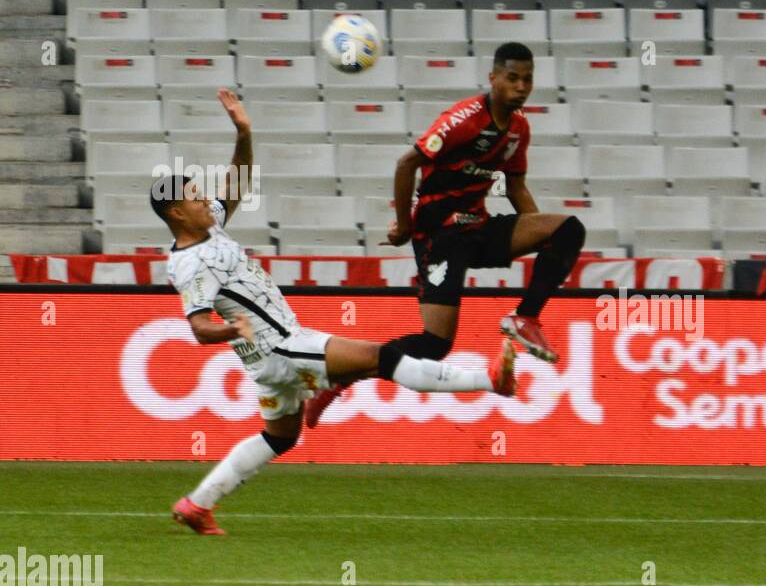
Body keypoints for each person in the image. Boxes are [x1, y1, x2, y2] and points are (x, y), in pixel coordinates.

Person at [152, 88, 516, 536]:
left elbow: (238, 182)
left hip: (270, 361)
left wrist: (243, 132)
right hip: (283, 349)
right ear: (176, 213)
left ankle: (197, 504)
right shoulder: (192, 263)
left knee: (281, 437)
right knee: (381, 359)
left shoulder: (209, 230)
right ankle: (490, 380)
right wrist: (231, 329)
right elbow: (198, 328)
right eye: (194, 198)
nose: (206, 200)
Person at [303, 42, 586, 429]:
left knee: (568, 229)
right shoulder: (464, 119)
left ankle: (525, 318)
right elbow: (407, 164)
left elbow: (516, 187)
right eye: (513, 78)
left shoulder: (519, 128)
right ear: (493, 78)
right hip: (441, 235)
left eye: (528, 80)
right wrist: (404, 226)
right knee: (435, 345)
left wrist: (539, 240)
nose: (521, 87)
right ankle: (337, 378)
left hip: (480, 227)